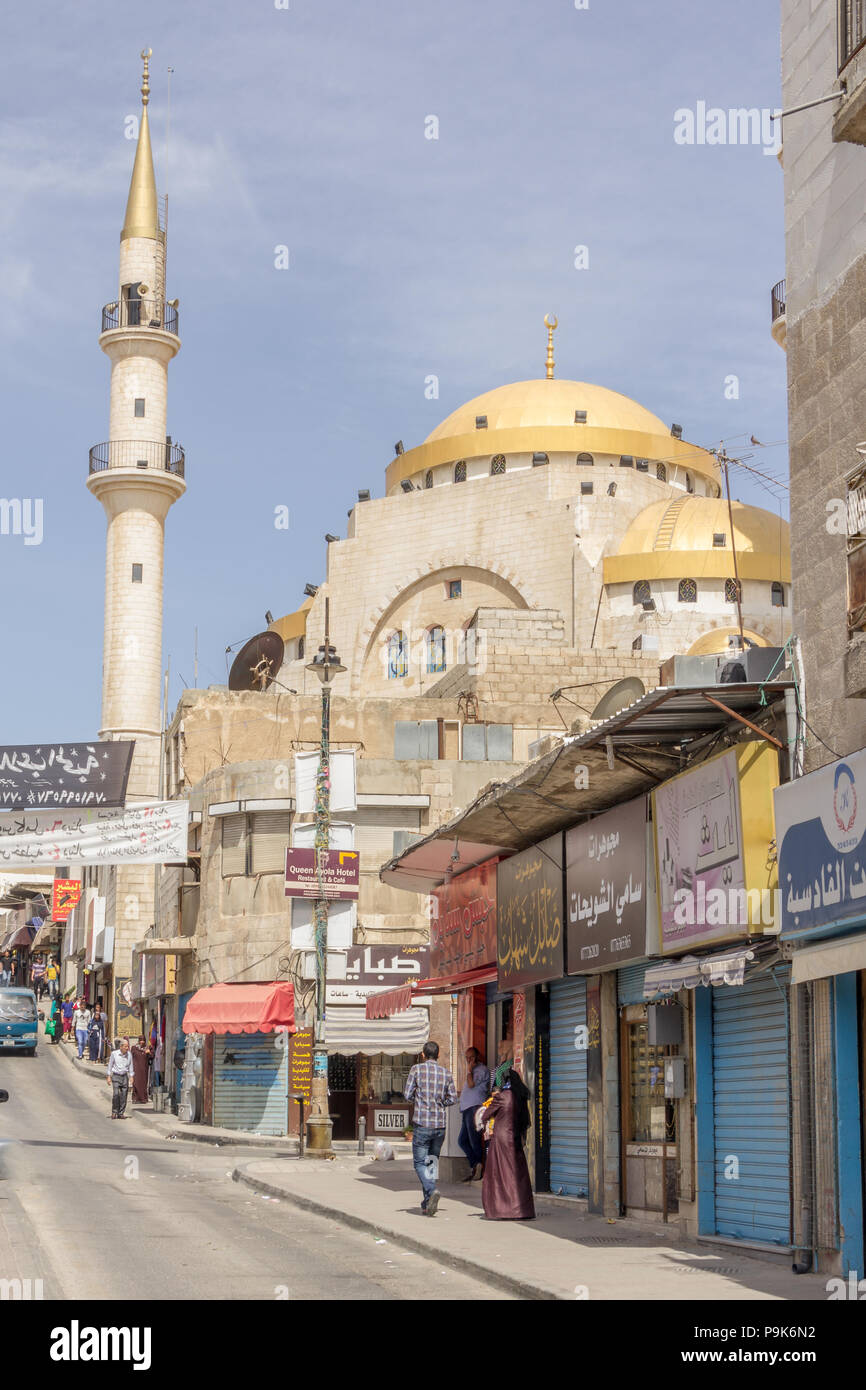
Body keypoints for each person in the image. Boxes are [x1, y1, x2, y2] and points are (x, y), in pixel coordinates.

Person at [403, 1040, 458, 1217]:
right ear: (439, 1055)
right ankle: (428, 1203)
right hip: (440, 1125)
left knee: (419, 1163)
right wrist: (439, 1102)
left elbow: (407, 1094)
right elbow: (452, 1099)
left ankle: (431, 1190)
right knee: (432, 1161)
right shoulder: (446, 1073)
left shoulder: (416, 1070)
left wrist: (419, 1101)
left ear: (423, 1055)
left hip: (422, 1123)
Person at [477, 1068, 535, 1221]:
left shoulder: (502, 1097)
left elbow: (486, 1114)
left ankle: (501, 1209)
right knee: (517, 1175)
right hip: (515, 1138)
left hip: (501, 1139)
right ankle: (522, 1210)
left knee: (499, 1175)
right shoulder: (520, 1096)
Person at [457, 1046, 490, 1182]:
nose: (468, 1060)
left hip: (474, 1108)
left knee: (474, 1140)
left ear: (477, 1057)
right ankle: (476, 1164)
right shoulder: (472, 1071)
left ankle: (478, 1167)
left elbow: (471, 1085)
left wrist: (469, 1071)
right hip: (466, 1109)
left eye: (471, 1057)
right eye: (466, 1057)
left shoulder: (481, 1070)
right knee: (462, 1141)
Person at [107, 1037, 134, 1118]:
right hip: (116, 1076)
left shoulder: (129, 1054)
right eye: (125, 1046)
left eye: (127, 1046)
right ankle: (114, 1112)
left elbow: (131, 1066)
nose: (127, 1048)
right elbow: (110, 1065)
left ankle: (121, 1113)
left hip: (124, 1076)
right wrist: (108, 1076)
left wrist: (131, 1076)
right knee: (116, 1094)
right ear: (121, 1047)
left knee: (124, 1095)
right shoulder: (114, 1054)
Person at [131, 1034, 151, 1105]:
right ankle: (135, 1098)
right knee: (136, 1082)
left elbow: (152, 1057)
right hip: (136, 1068)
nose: (142, 1042)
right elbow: (131, 1057)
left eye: (143, 1040)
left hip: (144, 1069)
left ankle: (143, 1099)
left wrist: (149, 1052)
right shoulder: (134, 1048)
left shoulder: (148, 1048)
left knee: (143, 1083)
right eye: (141, 1040)